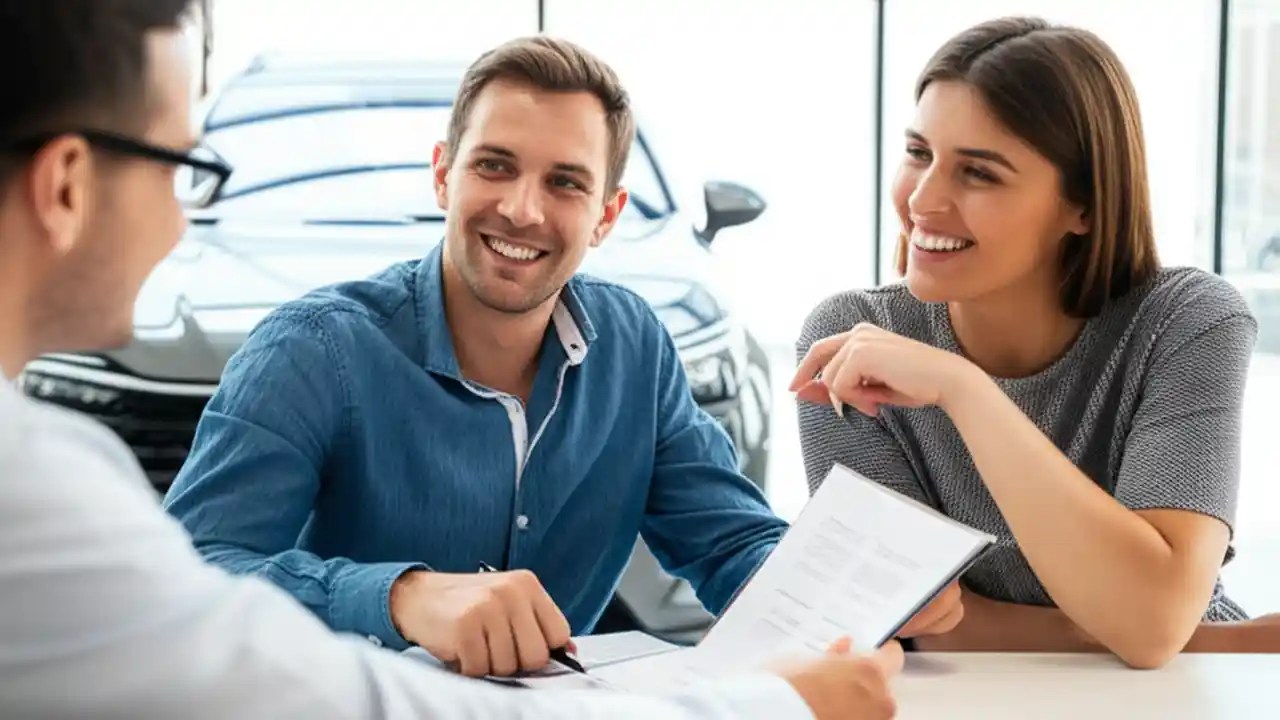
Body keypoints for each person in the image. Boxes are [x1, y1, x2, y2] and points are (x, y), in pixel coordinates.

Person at [0, 2, 909, 718]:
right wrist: (401, 598)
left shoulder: (635, 346)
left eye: (564, 183)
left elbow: (735, 542)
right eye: (494, 166)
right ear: (443, 174)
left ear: (606, 214)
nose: (521, 209)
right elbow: (198, 571)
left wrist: (867, 596)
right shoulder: (313, 351)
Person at [792, 15, 1280, 670]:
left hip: (1181, 696)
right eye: (918, 153)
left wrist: (963, 391)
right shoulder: (848, 345)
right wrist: (1200, 637)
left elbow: (1155, 618)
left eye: (979, 173)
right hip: (992, 697)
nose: (923, 199)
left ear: (1085, 205)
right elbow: (927, 628)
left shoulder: (1184, 321)